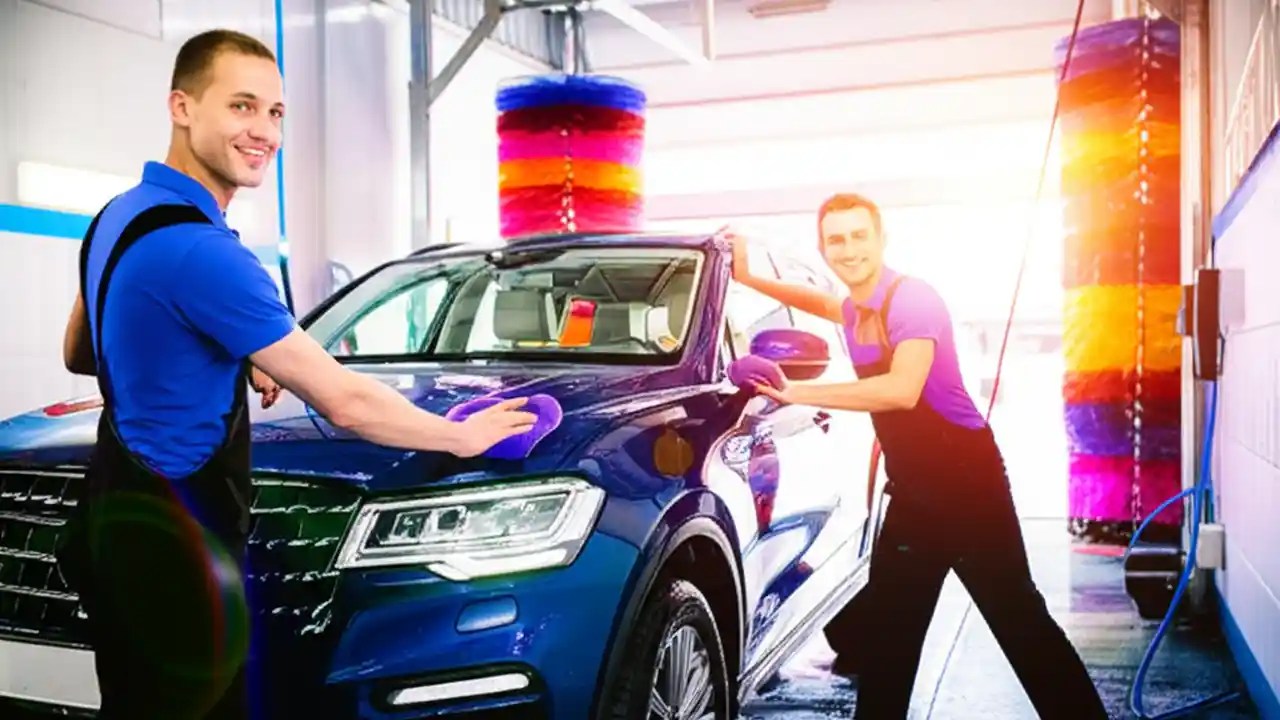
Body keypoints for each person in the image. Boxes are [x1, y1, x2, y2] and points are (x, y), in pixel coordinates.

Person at [57, 29, 536, 720]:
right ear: (182, 106)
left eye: (276, 113)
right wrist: (457, 439)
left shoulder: (117, 216)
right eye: (243, 107)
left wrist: (224, 345)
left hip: (115, 529)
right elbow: (343, 401)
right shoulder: (206, 253)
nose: (265, 131)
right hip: (178, 564)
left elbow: (83, 347)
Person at [727, 193, 1108, 719]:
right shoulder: (854, 307)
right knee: (889, 636)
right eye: (836, 239)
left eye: (860, 236)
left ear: (882, 240)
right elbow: (818, 301)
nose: (849, 249)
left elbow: (901, 390)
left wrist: (794, 393)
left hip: (968, 485)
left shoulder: (913, 299)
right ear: (824, 249)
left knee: (1020, 622)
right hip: (912, 492)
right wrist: (748, 274)